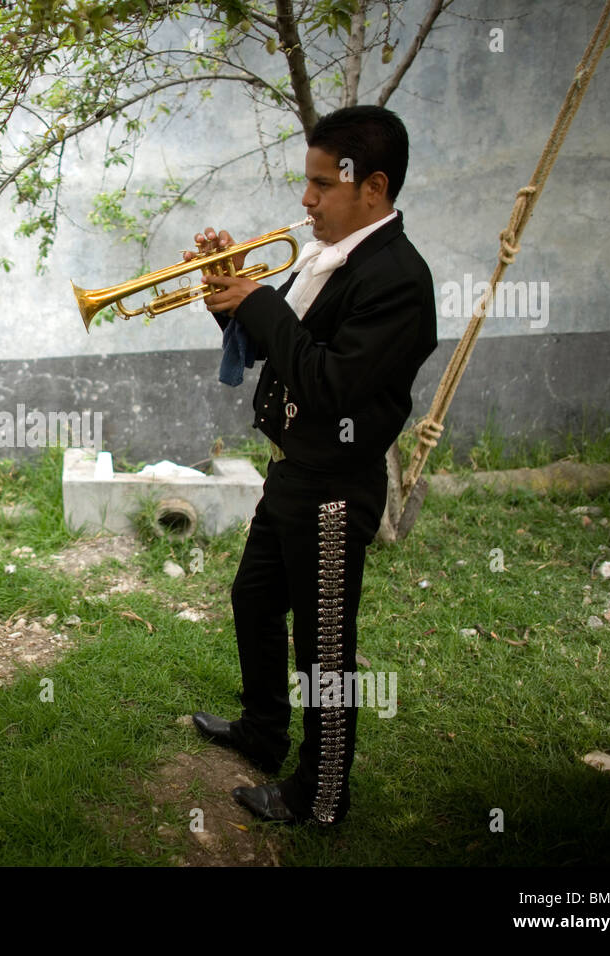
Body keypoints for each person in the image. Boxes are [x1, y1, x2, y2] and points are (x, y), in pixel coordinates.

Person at [188, 105, 437, 824]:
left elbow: (329, 383)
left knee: (326, 650)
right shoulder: (335, 258)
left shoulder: (397, 279)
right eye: (309, 182)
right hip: (293, 472)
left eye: (322, 185)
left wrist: (261, 303)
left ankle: (322, 796)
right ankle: (265, 734)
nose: (306, 200)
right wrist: (232, 293)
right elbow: (282, 348)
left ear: (374, 186)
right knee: (254, 601)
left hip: (334, 485)